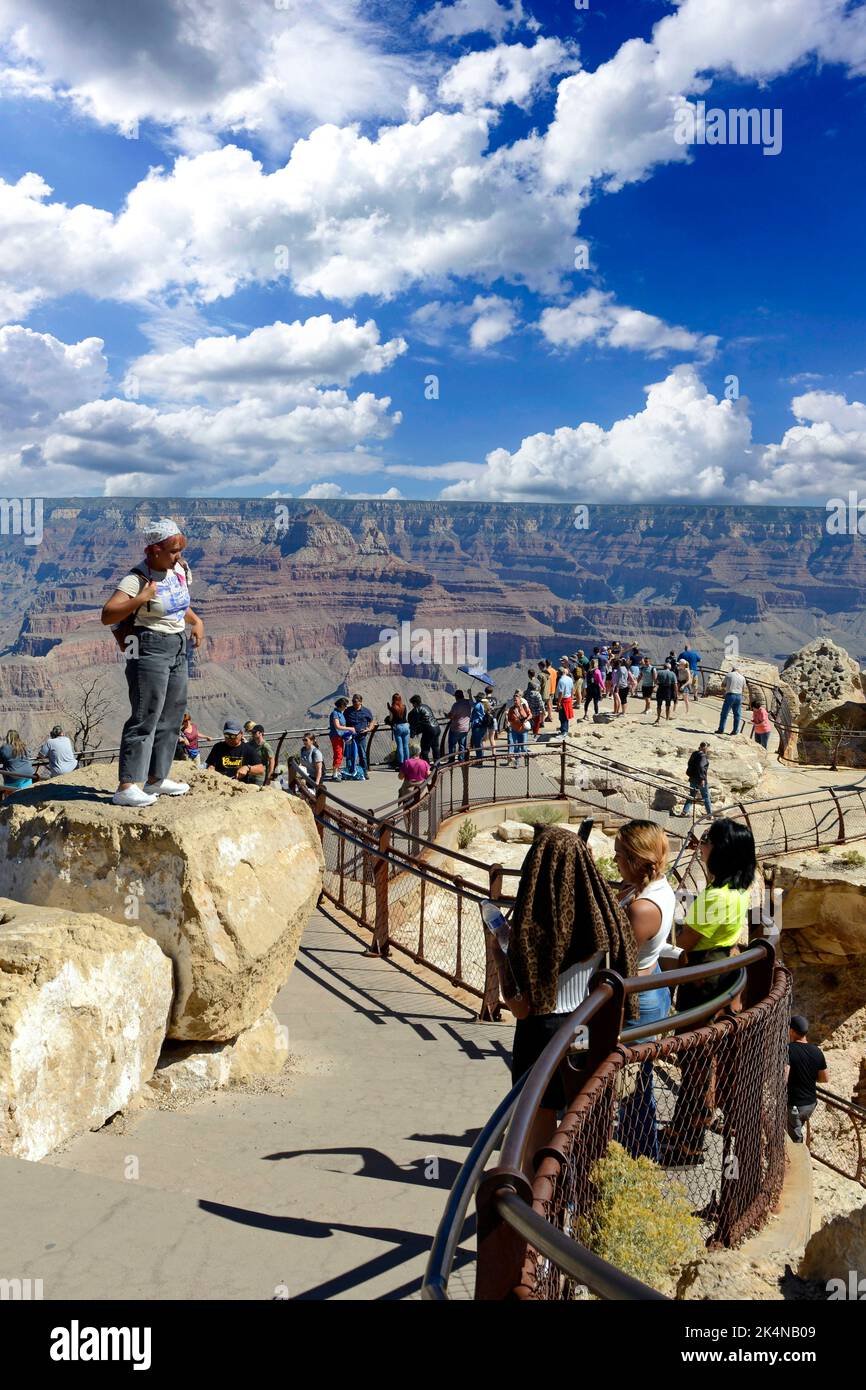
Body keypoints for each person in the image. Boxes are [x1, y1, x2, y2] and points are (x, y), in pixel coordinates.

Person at [491, 826, 638, 1174]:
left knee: (536, 1127)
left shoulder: (533, 931)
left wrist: (499, 952)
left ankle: (535, 1205)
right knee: (582, 1121)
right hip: (589, 1027)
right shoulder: (607, 917)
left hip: (542, 1032)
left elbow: (521, 1006)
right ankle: (579, 1193)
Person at [660, 818, 757, 1166]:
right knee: (702, 1058)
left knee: (694, 1057)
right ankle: (684, 1129)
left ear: (721, 850)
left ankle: (689, 1141)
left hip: (701, 980)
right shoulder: (737, 892)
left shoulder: (713, 896)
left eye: (707, 841)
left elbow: (686, 941)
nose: (701, 848)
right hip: (719, 977)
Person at [101, 517, 204, 808]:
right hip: (148, 648)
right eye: (173, 551)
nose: (179, 556)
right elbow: (108, 614)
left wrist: (196, 620)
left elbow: (177, 604)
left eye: (180, 549)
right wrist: (141, 598)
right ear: (154, 550)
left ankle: (157, 778)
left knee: (172, 715)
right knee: (146, 715)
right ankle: (126, 786)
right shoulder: (137, 579)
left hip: (177, 645)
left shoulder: (179, 570)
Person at [615, 821, 676, 1159]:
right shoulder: (653, 889)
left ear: (638, 859)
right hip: (649, 985)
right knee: (638, 1084)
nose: (615, 864)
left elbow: (616, 954)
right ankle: (638, 1154)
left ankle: (639, 1159)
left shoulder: (643, 907)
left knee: (633, 1087)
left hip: (637, 999)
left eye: (620, 857)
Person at [786, 1015, 828, 1143]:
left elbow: (783, 1078)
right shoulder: (817, 1051)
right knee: (795, 1129)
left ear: (792, 1031)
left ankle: (795, 1159)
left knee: (795, 1139)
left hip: (795, 1105)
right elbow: (824, 1078)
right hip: (810, 1104)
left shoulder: (788, 1050)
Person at [677, 742, 713, 817]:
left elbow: (689, 763)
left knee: (691, 795)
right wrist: (702, 779)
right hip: (700, 780)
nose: (708, 750)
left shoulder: (694, 753)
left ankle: (684, 812)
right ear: (705, 748)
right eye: (707, 748)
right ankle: (710, 815)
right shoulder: (702, 756)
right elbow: (701, 766)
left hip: (693, 778)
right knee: (706, 796)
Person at [345, 694, 377, 778]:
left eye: (355, 701)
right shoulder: (348, 710)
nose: (353, 703)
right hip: (350, 737)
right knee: (349, 755)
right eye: (353, 701)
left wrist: (369, 729)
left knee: (362, 754)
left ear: (360, 702)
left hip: (361, 737)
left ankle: (364, 772)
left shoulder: (366, 711)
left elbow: (372, 721)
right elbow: (342, 721)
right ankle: (350, 772)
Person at [408, 694, 440, 764]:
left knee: (425, 750)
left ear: (415, 703)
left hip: (429, 730)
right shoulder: (426, 706)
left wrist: (412, 734)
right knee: (435, 747)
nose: (413, 705)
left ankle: (426, 767)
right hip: (437, 728)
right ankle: (437, 765)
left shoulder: (416, 710)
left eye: (413, 704)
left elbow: (414, 723)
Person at [328, 698, 353, 780]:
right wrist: (349, 728)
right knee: (338, 754)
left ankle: (336, 770)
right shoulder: (335, 714)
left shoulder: (340, 713)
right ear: (341, 705)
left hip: (341, 736)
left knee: (339, 754)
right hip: (336, 737)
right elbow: (337, 726)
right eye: (345, 705)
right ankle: (334, 774)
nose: (346, 707)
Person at [718, 666, 746, 735]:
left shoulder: (729, 675)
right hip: (739, 696)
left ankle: (721, 729)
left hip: (730, 695)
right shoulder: (742, 677)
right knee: (737, 714)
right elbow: (744, 688)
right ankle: (735, 730)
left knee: (724, 713)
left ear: (732, 670)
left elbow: (723, 685)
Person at [507, 690, 531, 766]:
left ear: (520, 700)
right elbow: (509, 719)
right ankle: (517, 763)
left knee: (523, 748)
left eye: (516, 700)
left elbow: (530, 715)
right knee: (516, 747)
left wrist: (526, 719)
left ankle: (526, 757)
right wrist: (513, 722)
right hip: (515, 730)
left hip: (523, 730)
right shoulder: (511, 709)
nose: (515, 701)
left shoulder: (524, 706)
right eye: (514, 700)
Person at [446, 689, 472, 762]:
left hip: (456, 728)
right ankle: (461, 759)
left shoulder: (456, 705)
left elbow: (451, 715)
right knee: (462, 745)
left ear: (457, 697)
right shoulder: (468, 703)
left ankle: (451, 760)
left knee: (452, 744)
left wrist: (447, 716)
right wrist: (470, 694)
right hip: (465, 728)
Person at [387, 693, 411, 767]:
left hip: (398, 727)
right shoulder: (404, 707)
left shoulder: (392, 708)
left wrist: (389, 709)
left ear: (393, 699)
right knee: (406, 746)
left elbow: (391, 719)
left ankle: (401, 764)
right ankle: (407, 763)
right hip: (406, 726)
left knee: (400, 746)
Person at [525, 670, 545, 736]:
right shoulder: (537, 693)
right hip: (536, 710)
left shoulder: (527, 693)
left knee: (531, 722)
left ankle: (528, 732)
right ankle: (535, 734)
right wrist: (543, 710)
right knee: (536, 722)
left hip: (529, 709)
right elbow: (540, 703)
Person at [556, 665, 574, 735]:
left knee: (562, 716)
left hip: (563, 700)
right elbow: (572, 689)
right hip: (569, 698)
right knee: (566, 716)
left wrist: (558, 702)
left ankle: (564, 731)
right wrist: (571, 698)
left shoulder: (561, 680)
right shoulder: (569, 679)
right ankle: (564, 729)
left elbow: (561, 692)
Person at [470, 691, 488, 763]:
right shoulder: (485, 705)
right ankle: (481, 757)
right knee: (480, 742)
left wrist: (469, 694)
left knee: (477, 743)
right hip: (483, 726)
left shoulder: (479, 705)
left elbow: (471, 704)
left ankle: (479, 760)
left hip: (478, 726)